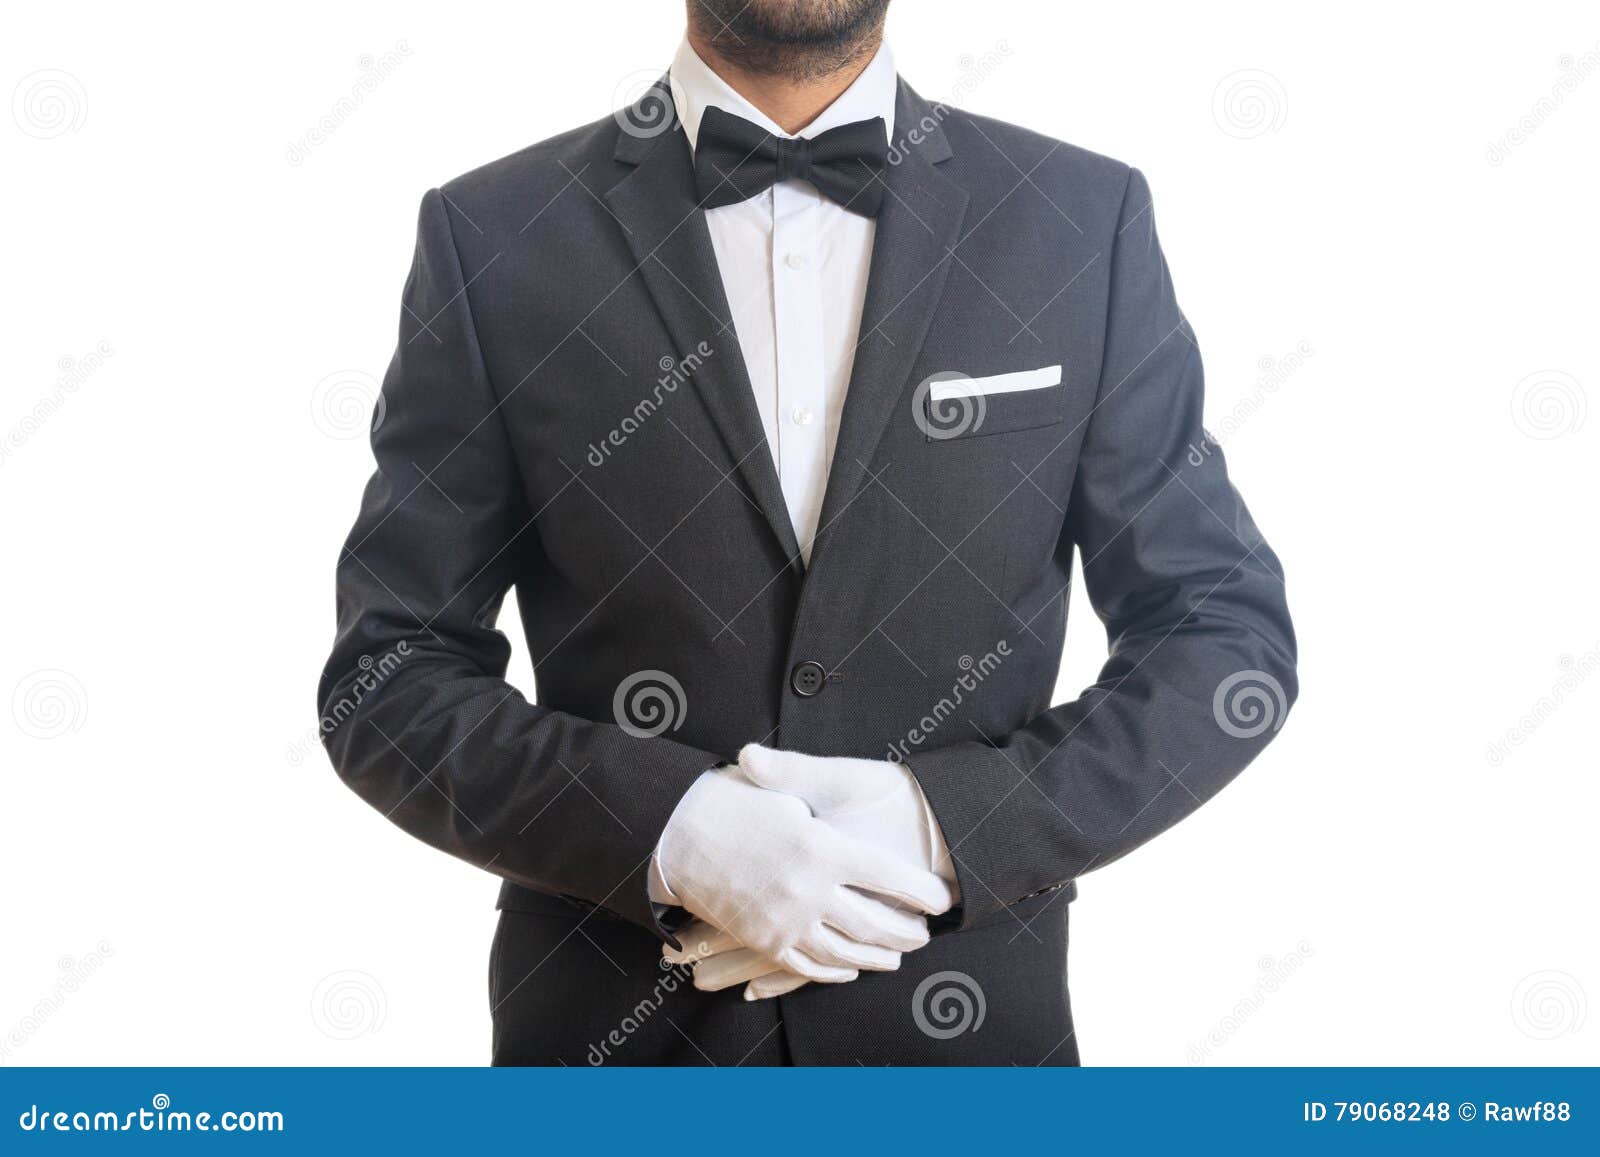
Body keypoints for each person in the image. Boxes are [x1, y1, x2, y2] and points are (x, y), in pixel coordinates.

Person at [318, 0, 1297, 1065]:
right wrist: (670, 830)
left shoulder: (1078, 218)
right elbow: (389, 671)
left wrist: (941, 828)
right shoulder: (492, 234)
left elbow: (1220, 634)